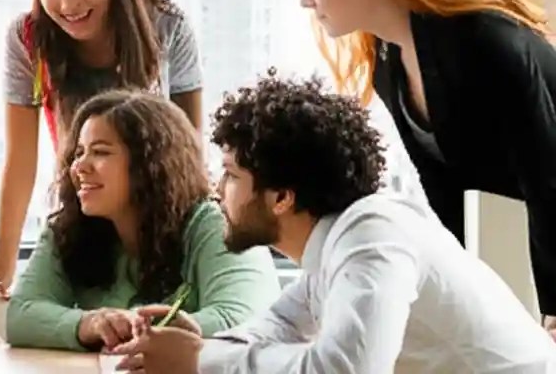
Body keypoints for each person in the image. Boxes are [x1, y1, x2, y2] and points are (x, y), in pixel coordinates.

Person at [120, 72, 556, 374]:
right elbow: (281, 327)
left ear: (282, 198)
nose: (217, 188)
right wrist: (201, 344)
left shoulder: (372, 236)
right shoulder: (336, 244)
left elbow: (346, 368)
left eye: (232, 174)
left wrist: (201, 361)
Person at [292, 0, 556, 336]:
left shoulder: (486, 43)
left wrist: (555, 310)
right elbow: (441, 197)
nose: (304, 0)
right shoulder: (388, 65)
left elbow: (548, 183)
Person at [0, 0, 204, 295]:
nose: (69, 3)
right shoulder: (28, 39)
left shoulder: (166, 27)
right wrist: (0, 280)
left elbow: (192, 147)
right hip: (81, 210)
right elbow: (20, 161)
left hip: (158, 213)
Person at [6, 90, 278, 352]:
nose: (79, 167)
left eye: (100, 152)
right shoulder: (69, 230)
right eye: (78, 153)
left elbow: (242, 317)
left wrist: (133, 326)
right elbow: (20, 314)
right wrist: (88, 324)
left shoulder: (216, 224)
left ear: (150, 165)